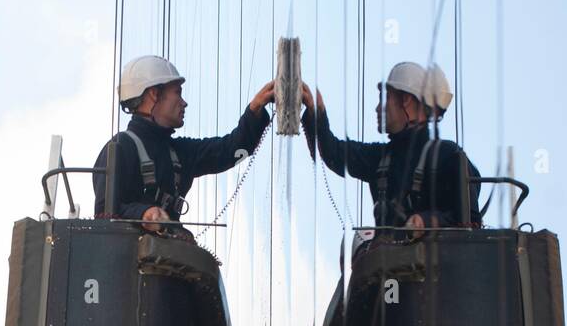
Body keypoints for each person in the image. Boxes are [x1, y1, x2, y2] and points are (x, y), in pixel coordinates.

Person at [301, 62, 481, 257]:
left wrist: (426, 221)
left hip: (435, 273)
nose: (378, 108)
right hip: (389, 272)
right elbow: (333, 153)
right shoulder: (380, 158)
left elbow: (468, 222)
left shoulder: (448, 155)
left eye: (384, 98)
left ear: (406, 100)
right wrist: (314, 113)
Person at [93, 56, 275, 233]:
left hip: (168, 255)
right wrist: (143, 214)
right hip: (131, 256)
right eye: (178, 93)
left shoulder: (180, 152)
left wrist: (255, 110)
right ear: (154, 94)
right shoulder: (119, 148)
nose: (184, 103)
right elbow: (105, 215)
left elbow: (232, 150)